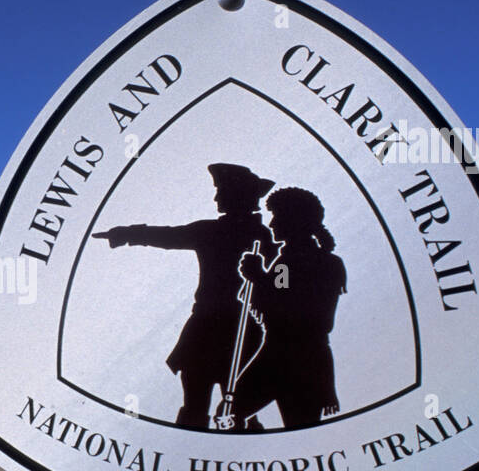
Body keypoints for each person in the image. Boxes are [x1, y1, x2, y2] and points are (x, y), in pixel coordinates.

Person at [93, 162, 275, 429]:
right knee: (197, 401)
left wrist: (262, 275)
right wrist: (125, 233)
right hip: (205, 327)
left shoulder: (264, 237)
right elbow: (166, 237)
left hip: (239, 327)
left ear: (237, 195)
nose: (216, 198)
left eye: (221, 192)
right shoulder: (211, 231)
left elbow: (283, 279)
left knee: (236, 405)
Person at [230, 186, 346, 430]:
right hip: (294, 358)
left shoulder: (293, 264)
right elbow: (280, 298)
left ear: (294, 219)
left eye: (277, 216)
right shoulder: (294, 262)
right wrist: (259, 278)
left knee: (232, 415)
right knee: (233, 415)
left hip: (291, 360)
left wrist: (257, 277)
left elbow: (291, 308)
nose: (272, 224)